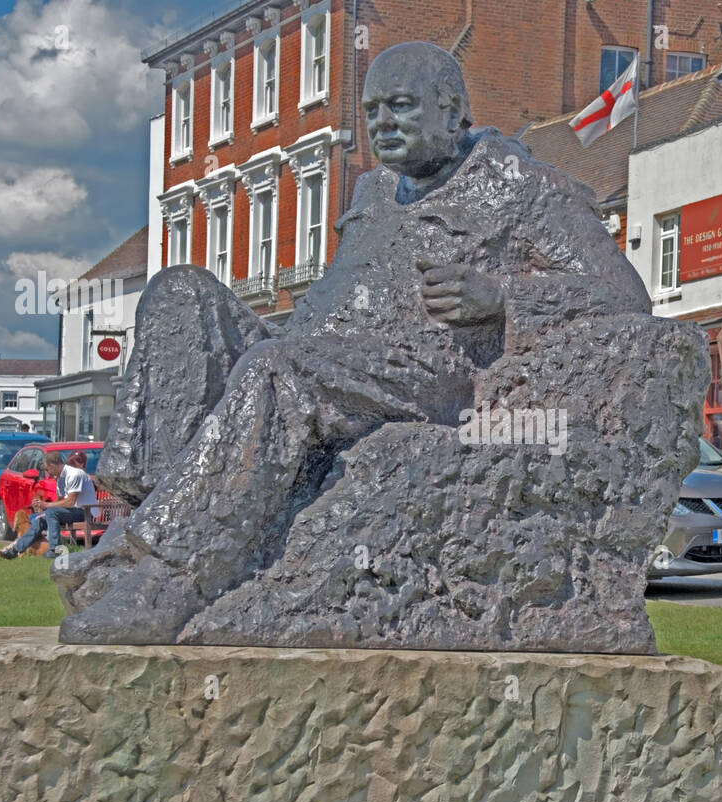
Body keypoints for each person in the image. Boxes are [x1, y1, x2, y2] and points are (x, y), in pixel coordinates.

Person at [59, 41, 651, 642]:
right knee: (179, 294)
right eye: (371, 111)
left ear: (452, 111)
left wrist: (502, 298)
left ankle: (169, 576)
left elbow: (624, 295)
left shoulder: (520, 184)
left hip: (422, 376)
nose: (382, 124)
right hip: (315, 353)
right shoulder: (373, 191)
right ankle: (140, 528)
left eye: (400, 107)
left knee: (277, 370)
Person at [0, 451, 97, 559]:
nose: (47, 472)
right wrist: (42, 507)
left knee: (51, 512)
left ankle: (55, 550)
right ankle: (15, 550)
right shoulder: (60, 479)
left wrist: (46, 506)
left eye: (46, 469)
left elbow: (70, 502)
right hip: (72, 511)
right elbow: (60, 501)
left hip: (85, 512)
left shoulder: (75, 474)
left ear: (53, 465)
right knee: (39, 519)